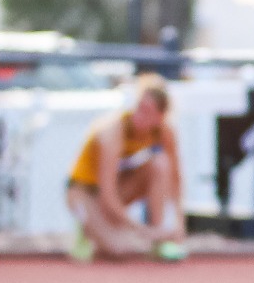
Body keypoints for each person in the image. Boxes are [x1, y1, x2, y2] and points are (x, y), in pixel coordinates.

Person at [65, 75, 184, 262]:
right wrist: (143, 231)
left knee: (160, 164)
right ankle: (86, 227)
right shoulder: (112, 132)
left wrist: (180, 223)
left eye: (147, 111)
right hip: (84, 191)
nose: (139, 114)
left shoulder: (164, 131)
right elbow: (107, 195)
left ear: (159, 117)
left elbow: (176, 178)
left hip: (117, 189)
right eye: (139, 107)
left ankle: (158, 243)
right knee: (119, 249)